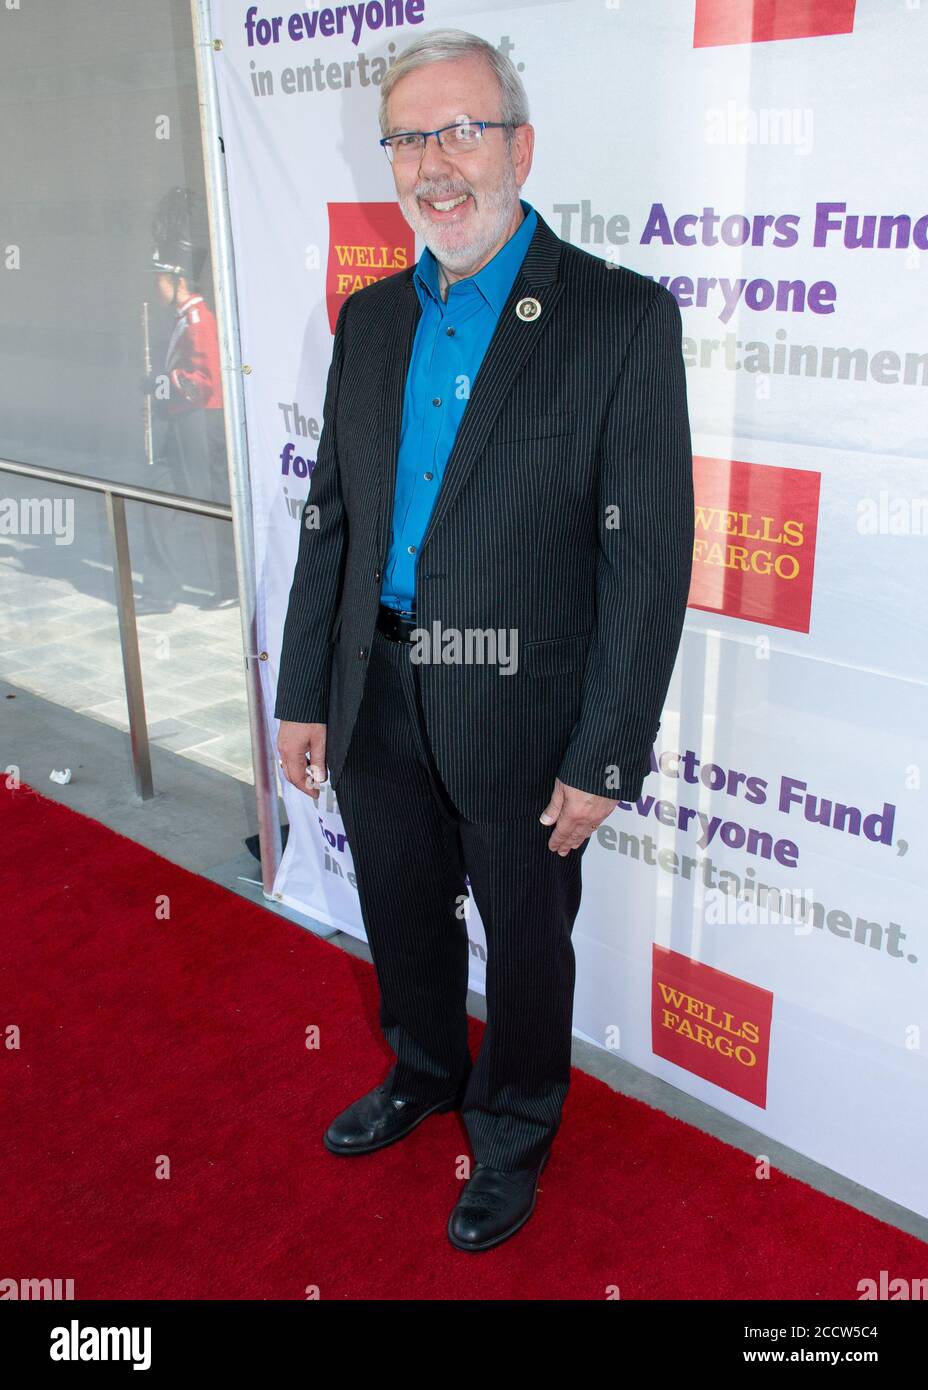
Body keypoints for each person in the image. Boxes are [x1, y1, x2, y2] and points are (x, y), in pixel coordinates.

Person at [275, 29, 694, 1252]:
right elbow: (332, 520)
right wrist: (305, 689)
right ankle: (422, 1069)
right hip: (375, 684)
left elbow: (647, 560)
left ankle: (512, 1128)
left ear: (520, 145)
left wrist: (606, 750)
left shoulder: (618, 317)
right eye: (409, 138)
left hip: (525, 703)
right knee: (400, 903)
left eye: (461, 130)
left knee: (523, 940)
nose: (435, 164)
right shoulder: (369, 321)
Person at [137, 188, 237, 614]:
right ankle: (162, 590)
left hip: (200, 422)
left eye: (160, 278)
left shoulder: (199, 320)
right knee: (156, 499)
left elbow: (204, 384)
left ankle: (229, 584)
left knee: (209, 504)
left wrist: (162, 382)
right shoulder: (180, 319)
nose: (155, 285)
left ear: (178, 280)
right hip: (180, 424)